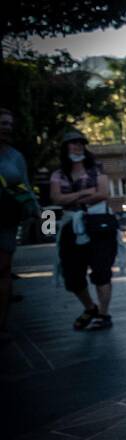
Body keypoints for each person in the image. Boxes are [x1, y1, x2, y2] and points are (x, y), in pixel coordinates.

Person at [48, 129, 118, 330]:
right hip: (71, 226)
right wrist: (86, 192)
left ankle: (103, 315)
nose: (77, 146)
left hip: (98, 225)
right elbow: (56, 199)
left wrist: (71, 197)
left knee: (101, 270)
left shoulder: (96, 169)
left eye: (80, 143)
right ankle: (90, 307)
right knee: (72, 274)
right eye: (73, 143)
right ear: (65, 147)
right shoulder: (58, 174)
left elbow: (103, 193)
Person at [0, 108, 36, 337]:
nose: (6, 127)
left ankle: (1, 326)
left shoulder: (14, 156)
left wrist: (37, 212)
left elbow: (24, 188)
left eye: (9, 124)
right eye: (2, 123)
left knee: (3, 271)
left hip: (5, 221)